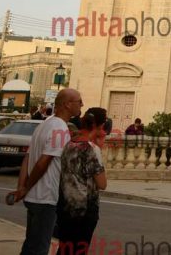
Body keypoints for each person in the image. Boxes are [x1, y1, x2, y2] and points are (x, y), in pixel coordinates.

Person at [14, 87, 83, 255]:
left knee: (31, 245)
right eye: (79, 102)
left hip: (34, 197)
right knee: (39, 248)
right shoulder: (59, 128)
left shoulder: (45, 124)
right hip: (45, 198)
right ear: (67, 104)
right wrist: (26, 187)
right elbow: (42, 163)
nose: (82, 105)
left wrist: (22, 187)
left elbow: (27, 158)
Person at [55, 108, 108, 255]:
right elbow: (102, 184)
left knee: (64, 249)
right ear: (100, 125)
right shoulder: (92, 149)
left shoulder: (68, 145)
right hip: (84, 209)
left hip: (65, 205)